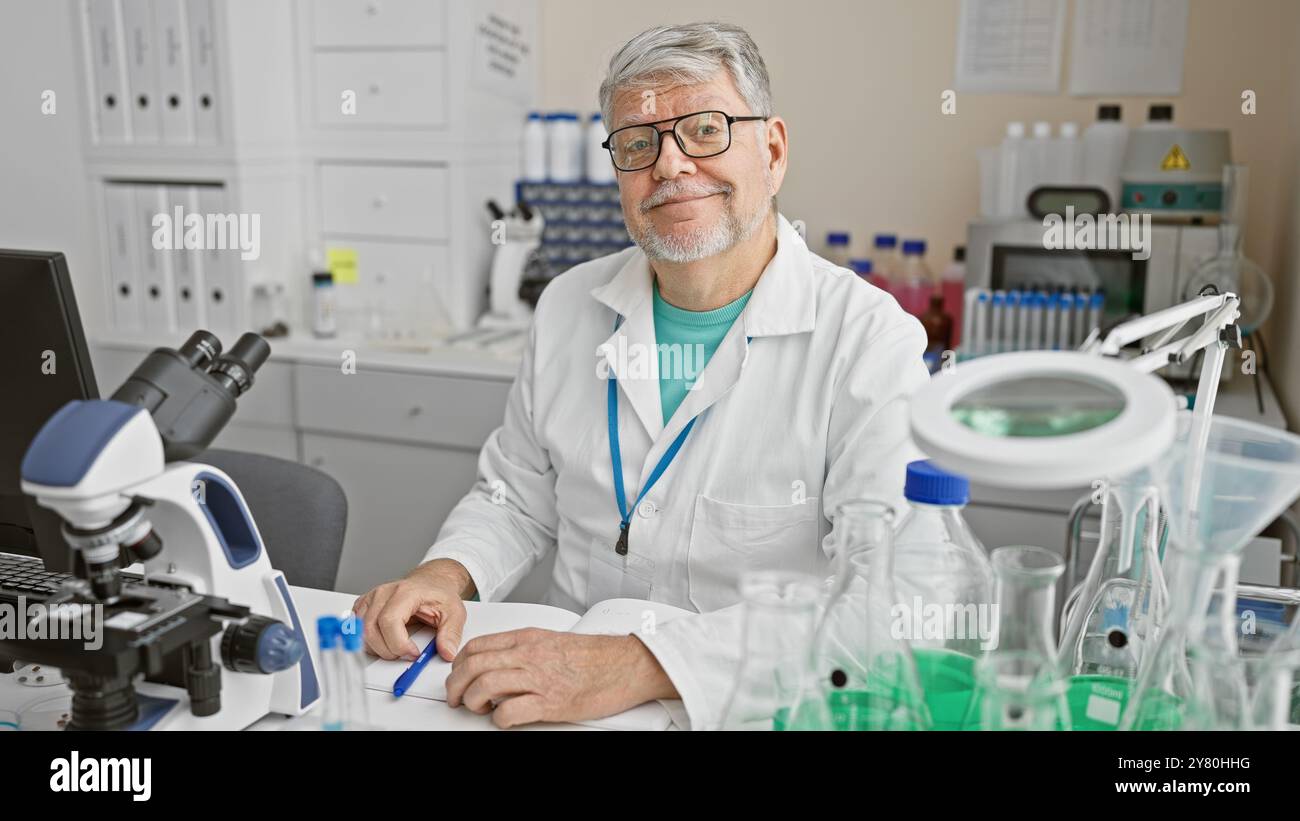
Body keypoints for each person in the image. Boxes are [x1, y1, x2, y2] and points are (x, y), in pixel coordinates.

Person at [353, 21, 928, 730]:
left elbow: (890, 602)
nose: (671, 164)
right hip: (567, 712)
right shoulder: (568, 305)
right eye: (638, 143)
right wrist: (445, 572)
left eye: (706, 130)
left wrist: (639, 662)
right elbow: (514, 496)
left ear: (772, 150)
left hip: (754, 709)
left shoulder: (869, 342)